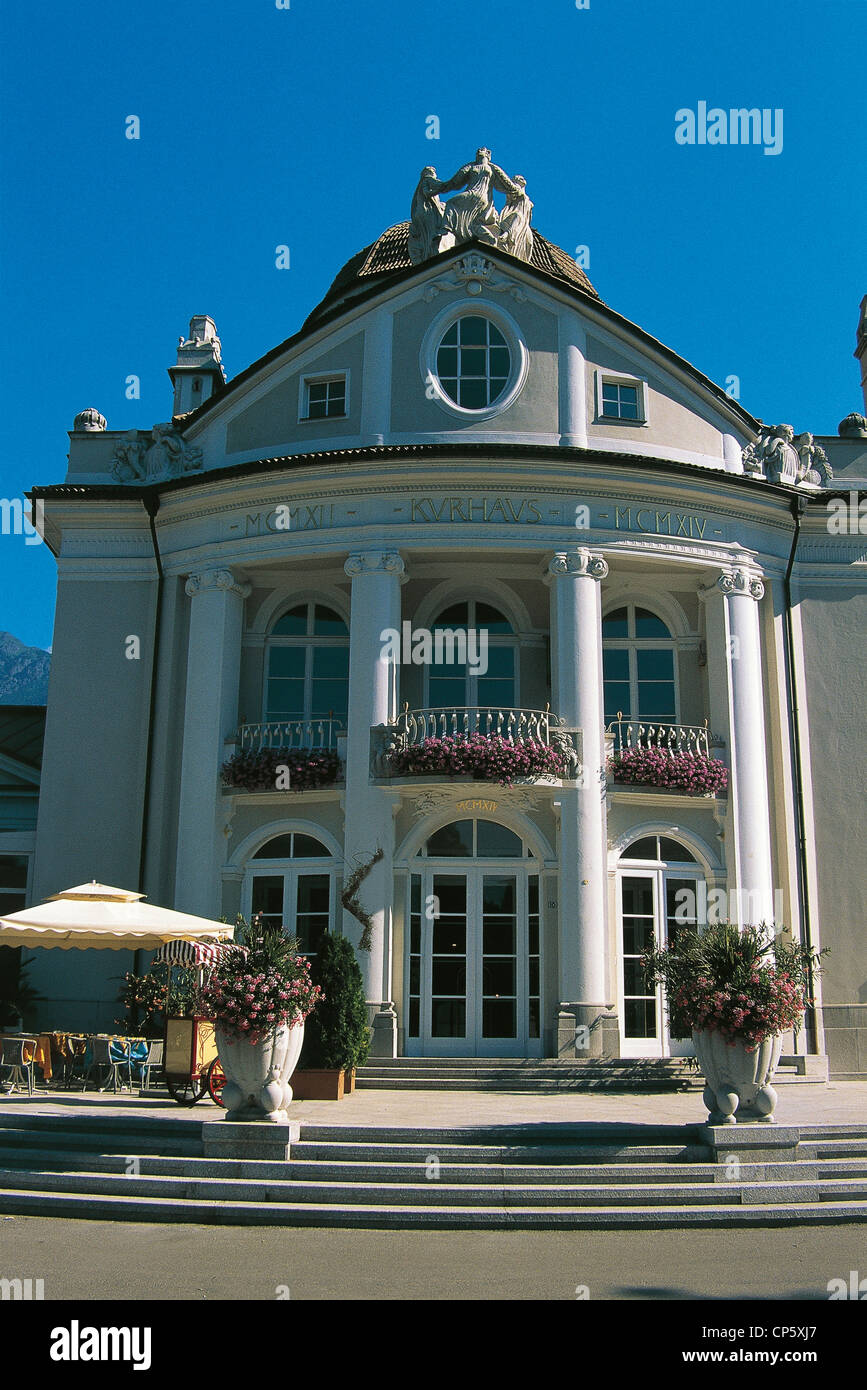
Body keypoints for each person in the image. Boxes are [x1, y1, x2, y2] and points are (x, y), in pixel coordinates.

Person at [427, 148, 524, 247]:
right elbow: (453, 183)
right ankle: (489, 238)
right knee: (475, 224)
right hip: (474, 194)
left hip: (480, 196)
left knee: (452, 203)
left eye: (484, 151)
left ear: (488, 155)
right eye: (479, 151)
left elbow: (507, 183)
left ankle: (445, 229)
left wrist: (519, 191)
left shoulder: (492, 168)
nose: (480, 151)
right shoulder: (470, 167)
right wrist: (437, 188)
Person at [408, 167, 446, 264]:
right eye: (433, 172)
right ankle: (430, 252)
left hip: (423, 213)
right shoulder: (427, 180)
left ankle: (428, 252)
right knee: (430, 234)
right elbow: (427, 192)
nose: (434, 174)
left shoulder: (423, 182)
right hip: (427, 212)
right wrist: (440, 189)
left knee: (428, 235)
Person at [498, 175, 533, 261]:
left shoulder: (526, 197)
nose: (523, 179)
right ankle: (507, 235)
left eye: (523, 178)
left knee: (529, 241)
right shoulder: (515, 190)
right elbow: (512, 191)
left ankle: (522, 260)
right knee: (518, 216)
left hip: (524, 224)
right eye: (520, 178)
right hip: (512, 217)